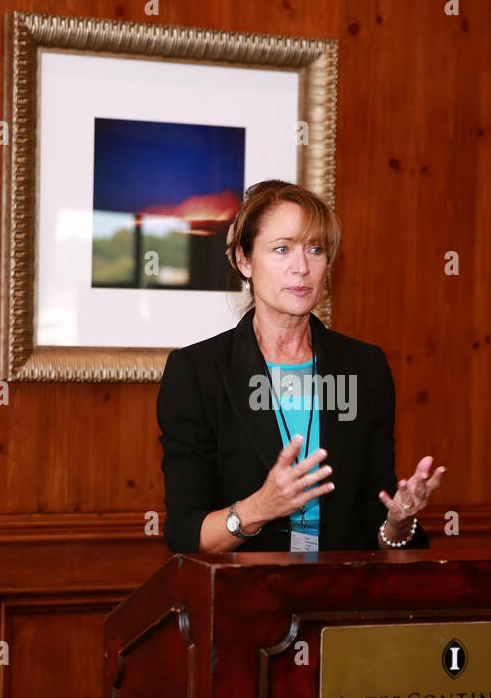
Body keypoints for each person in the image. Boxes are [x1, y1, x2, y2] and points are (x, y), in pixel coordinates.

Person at [156, 179, 446, 553]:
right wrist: (258, 508)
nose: (302, 268)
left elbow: (377, 528)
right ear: (244, 261)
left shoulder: (364, 367)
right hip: (242, 600)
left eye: (315, 249)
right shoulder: (196, 373)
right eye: (282, 249)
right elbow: (186, 536)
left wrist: (397, 523)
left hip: (339, 598)